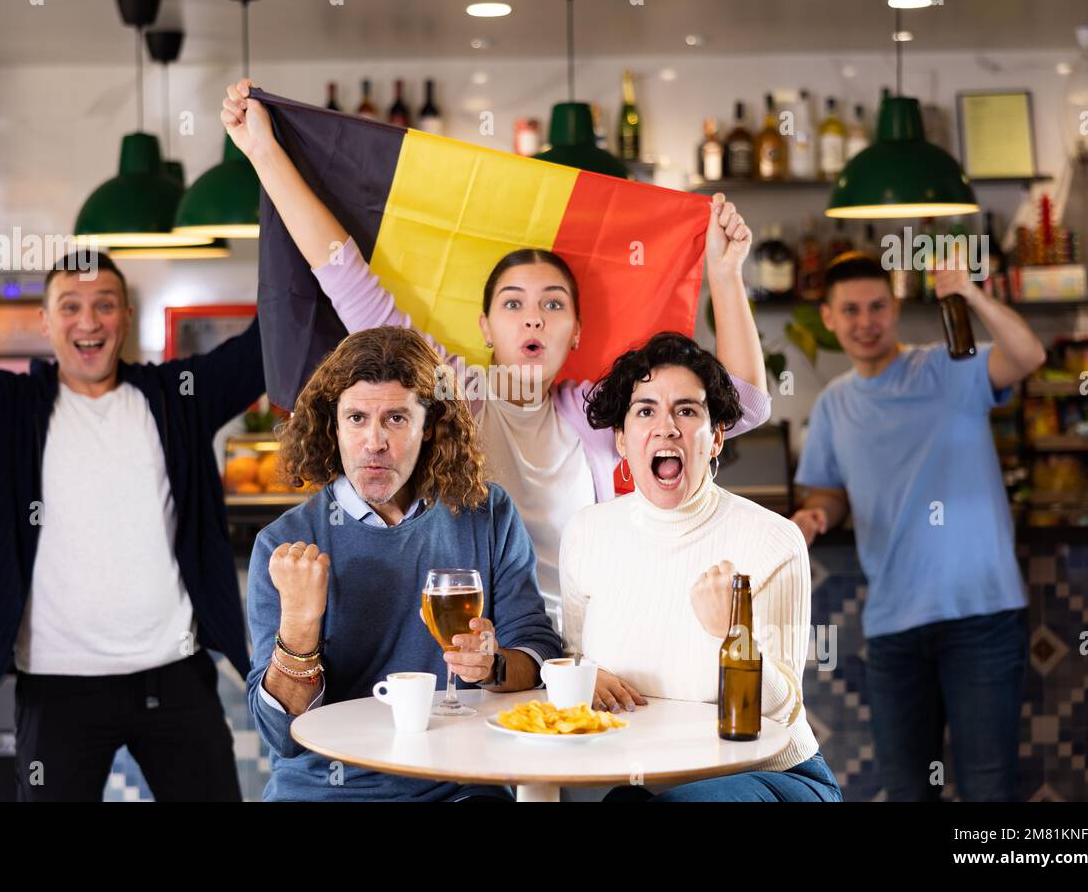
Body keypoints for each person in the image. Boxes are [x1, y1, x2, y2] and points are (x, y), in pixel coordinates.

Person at [220, 78, 771, 628]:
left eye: (553, 305)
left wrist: (725, 274)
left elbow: (743, 405)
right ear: (486, 327)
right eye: (514, 304)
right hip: (483, 650)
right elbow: (345, 276)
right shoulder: (454, 392)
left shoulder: (604, 411)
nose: (534, 317)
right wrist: (264, 153)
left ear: (577, 331)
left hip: (598, 647)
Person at [0, 211, 261, 801]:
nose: (89, 322)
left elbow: (262, 351)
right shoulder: (1, 411)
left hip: (173, 676)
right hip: (57, 685)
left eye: (106, 304)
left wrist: (300, 230)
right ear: (45, 320)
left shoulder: (175, 399)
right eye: (70, 306)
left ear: (127, 317)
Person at [247, 326, 562, 801]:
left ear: (430, 423)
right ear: (333, 426)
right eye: (356, 418)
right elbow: (279, 733)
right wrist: (297, 625)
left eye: (395, 418)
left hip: (458, 787)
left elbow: (535, 652)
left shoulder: (488, 514)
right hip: (325, 791)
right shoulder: (285, 544)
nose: (374, 442)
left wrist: (492, 666)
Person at [792, 251, 1044, 801]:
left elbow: (1029, 354)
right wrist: (816, 515)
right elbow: (829, 491)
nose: (866, 322)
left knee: (988, 787)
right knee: (908, 790)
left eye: (877, 306)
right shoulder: (835, 405)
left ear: (897, 308)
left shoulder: (949, 367)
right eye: (851, 310)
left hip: (983, 615)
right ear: (829, 319)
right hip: (893, 626)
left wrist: (972, 294)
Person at [559, 332, 840, 801]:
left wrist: (731, 636)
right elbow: (574, 656)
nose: (666, 427)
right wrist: (584, 673)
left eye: (687, 411)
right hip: (645, 782)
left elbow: (782, 709)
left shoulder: (772, 539)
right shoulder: (587, 532)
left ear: (716, 439)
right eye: (645, 410)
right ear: (622, 440)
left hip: (769, 775)